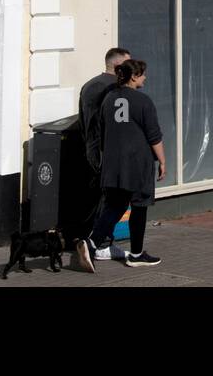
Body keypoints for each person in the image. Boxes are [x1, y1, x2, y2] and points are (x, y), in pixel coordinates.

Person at [77, 59, 166, 271]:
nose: (145, 77)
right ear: (134, 76)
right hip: (137, 164)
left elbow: (102, 131)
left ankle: (90, 244)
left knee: (115, 206)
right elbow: (154, 136)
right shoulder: (143, 101)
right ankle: (136, 254)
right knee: (139, 207)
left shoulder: (108, 99)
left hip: (113, 163)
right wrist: (162, 161)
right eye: (143, 74)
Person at [78, 47, 130, 262]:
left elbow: (83, 119)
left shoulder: (89, 86)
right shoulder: (117, 90)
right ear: (118, 67)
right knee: (113, 198)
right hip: (109, 151)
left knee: (98, 197)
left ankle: (90, 240)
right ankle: (101, 244)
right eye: (128, 65)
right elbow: (120, 125)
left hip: (91, 149)